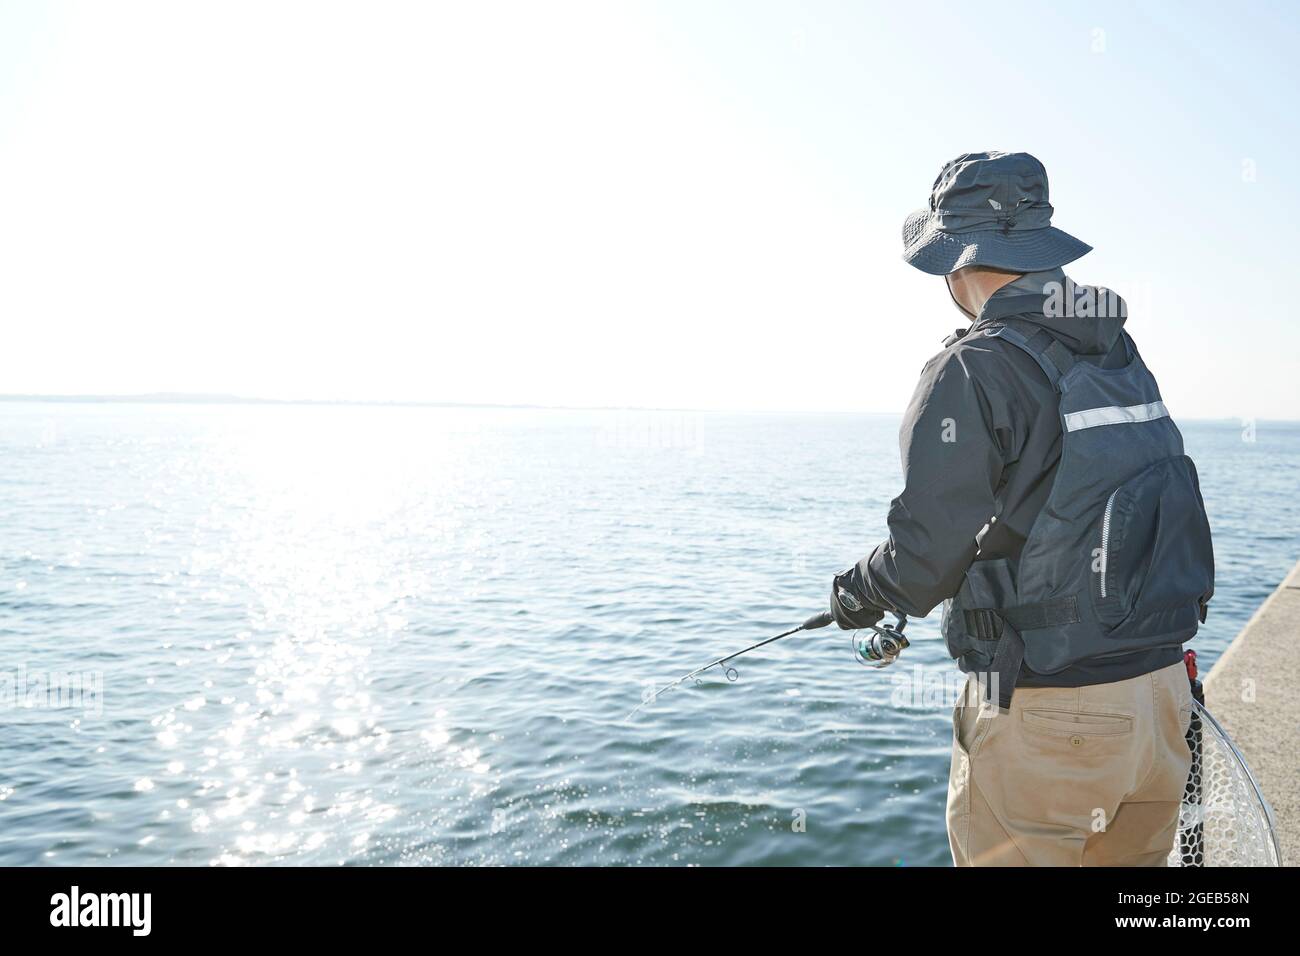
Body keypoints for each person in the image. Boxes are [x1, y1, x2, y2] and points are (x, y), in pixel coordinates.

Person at [829, 152, 1215, 866]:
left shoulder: (972, 368)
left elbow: (921, 563)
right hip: (1162, 702)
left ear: (955, 265)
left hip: (1050, 717)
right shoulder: (1117, 350)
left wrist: (854, 593)